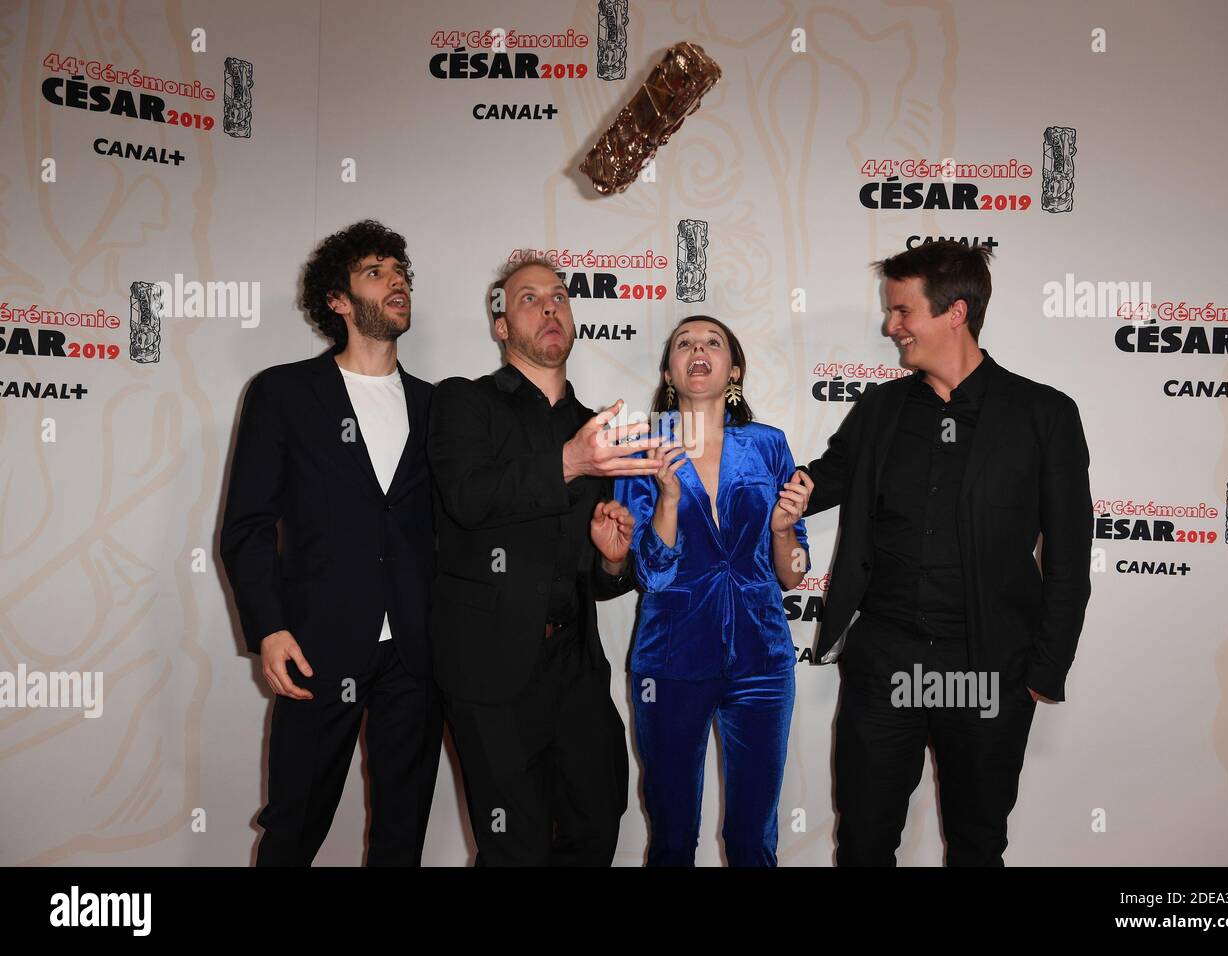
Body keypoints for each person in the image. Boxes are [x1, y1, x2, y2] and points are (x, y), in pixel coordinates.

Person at [800, 240, 1092, 866]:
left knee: (977, 846)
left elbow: (1070, 555)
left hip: (988, 666)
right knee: (862, 844)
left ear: (955, 312)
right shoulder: (880, 407)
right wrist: (720, 476)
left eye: (903, 311)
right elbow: (820, 481)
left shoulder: (1044, 415)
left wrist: (1044, 671)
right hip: (885, 665)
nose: (891, 326)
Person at [427, 254, 664, 866]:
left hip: (576, 666)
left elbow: (600, 580)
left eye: (559, 295)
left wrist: (613, 561)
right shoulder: (463, 403)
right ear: (502, 327)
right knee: (514, 847)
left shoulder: (595, 429)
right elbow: (469, 500)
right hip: (489, 669)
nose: (549, 306)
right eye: (528, 298)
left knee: (596, 822)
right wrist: (570, 462)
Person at [220, 220, 442, 866]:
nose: (397, 280)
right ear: (338, 301)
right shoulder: (283, 394)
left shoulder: (439, 408)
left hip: (416, 653)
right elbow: (247, 525)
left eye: (401, 270)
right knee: (294, 824)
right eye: (377, 271)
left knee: (403, 835)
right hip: (316, 643)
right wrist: (268, 628)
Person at [616, 315, 813, 867]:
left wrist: (781, 530)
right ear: (669, 371)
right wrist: (670, 501)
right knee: (673, 838)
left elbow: (795, 573)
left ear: (734, 370)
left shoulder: (769, 445)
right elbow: (650, 574)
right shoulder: (643, 450)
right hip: (671, 663)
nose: (697, 349)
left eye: (712, 342)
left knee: (753, 840)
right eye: (684, 343)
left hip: (763, 662)